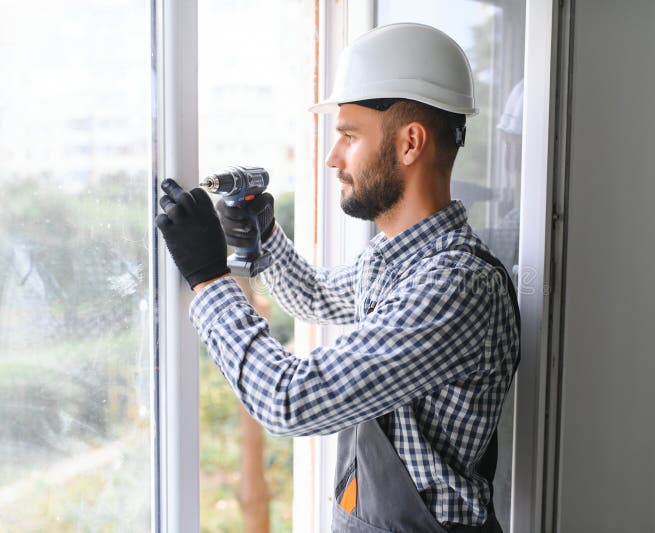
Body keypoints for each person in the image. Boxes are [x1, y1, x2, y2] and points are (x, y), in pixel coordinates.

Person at [156, 23, 520, 533]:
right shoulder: (397, 260)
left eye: (349, 136)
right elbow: (321, 297)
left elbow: (291, 399)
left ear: (410, 142)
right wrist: (265, 238)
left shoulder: (456, 287)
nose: (333, 157)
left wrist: (208, 278)